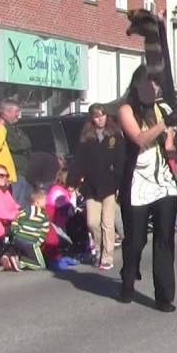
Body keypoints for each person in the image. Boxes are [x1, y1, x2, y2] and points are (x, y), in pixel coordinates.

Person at [117, 65, 177, 312]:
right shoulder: (126, 110)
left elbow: (169, 147)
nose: (154, 87)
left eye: (156, 83)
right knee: (136, 240)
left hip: (163, 181)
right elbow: (139, 138)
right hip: (137, 182)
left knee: (165, 238)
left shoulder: (161, 109)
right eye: (150, 82)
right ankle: (128, 278)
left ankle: (164, 296)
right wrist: (164, 124)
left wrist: (174, 142)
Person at [68, 103, 125, 270]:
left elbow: (121, 160)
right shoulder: (86, 138)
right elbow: (78, 162)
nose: (100, 119)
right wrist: (72, 181)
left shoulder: (115, 136)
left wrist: (119, 181)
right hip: (91, 187)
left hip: (109, 185)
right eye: (96, 116)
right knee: (92, 222)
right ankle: (99, 249)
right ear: (92, 118)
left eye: (102, 115)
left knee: (107, 222)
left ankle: (107, 256)